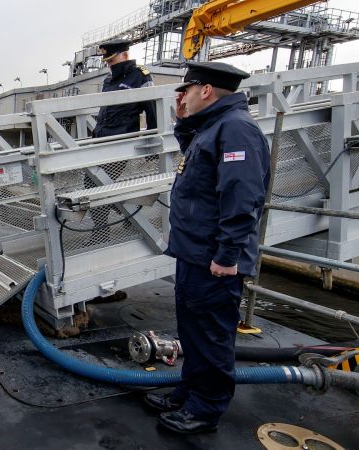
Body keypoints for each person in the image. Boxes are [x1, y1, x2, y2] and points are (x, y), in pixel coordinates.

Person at [143, 61, 270, 434]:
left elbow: (241, 195)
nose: (179, 96)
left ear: (207, 90)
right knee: (193, 330)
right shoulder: (211, 128)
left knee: (212, 335)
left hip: (216, 260)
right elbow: (198, 168)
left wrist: (227, 256)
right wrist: (183, 122)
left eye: (186, 90)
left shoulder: (236, 130)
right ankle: (191, 389)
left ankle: (206, 407)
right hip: (195, 253)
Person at [87, 38, 157, 246]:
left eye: (111, 60)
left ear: (125, 55)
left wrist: (153, 141)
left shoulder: (140, 76)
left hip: (121, 142)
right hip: (101, 141)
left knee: (96, 186)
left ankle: (101, 235)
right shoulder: (108, 81)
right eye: (107, 61)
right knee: (93, 184)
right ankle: (131, 215)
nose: (109, 64)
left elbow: (152, 110)